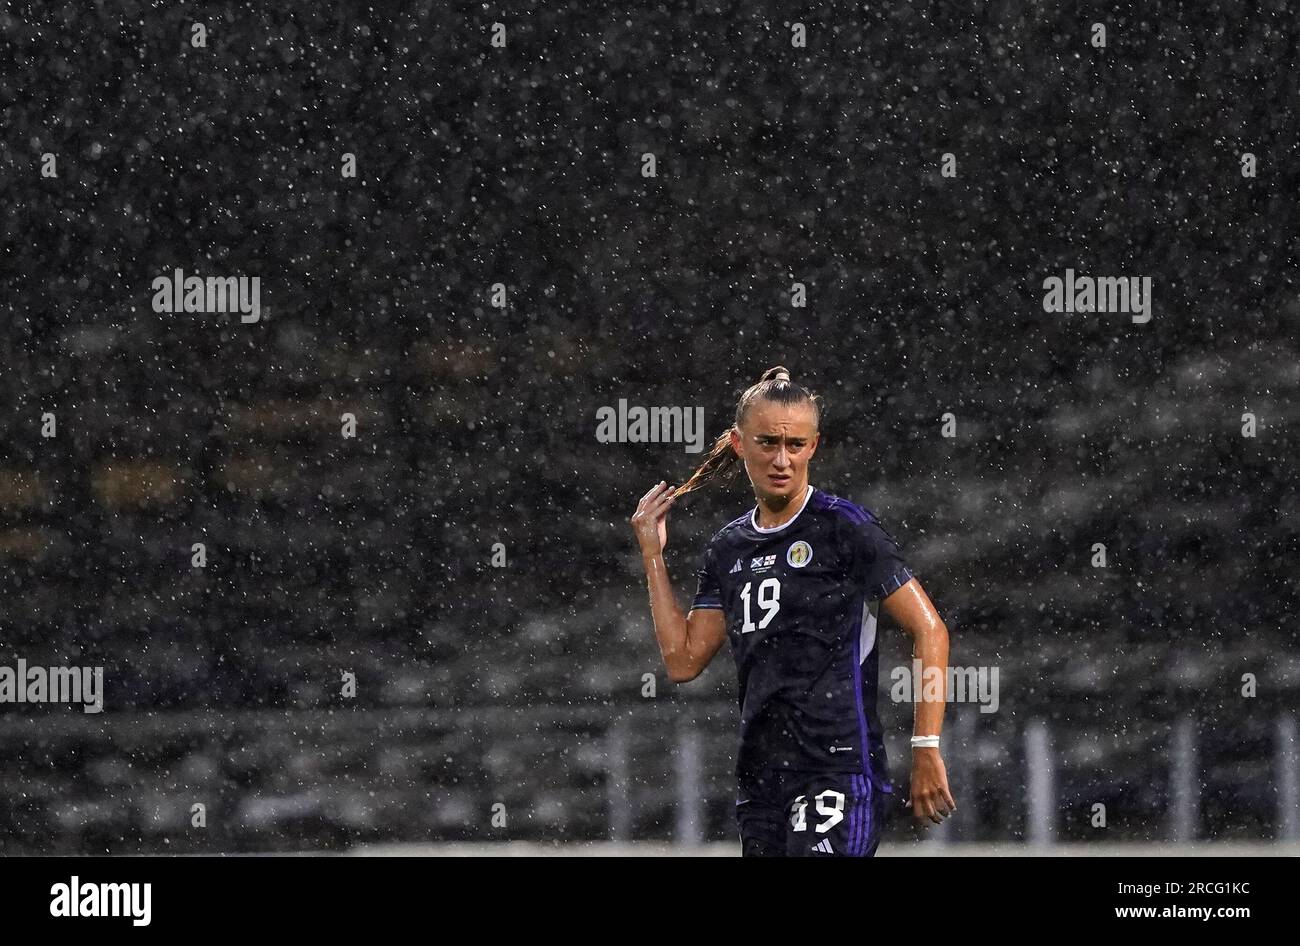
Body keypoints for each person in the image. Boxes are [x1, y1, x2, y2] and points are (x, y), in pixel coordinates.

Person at [630, 365, 956, 856]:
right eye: (767, 443)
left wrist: (926, 746)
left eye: (796, 445)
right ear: (739, 445)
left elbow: (930, 631)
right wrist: (653, 556)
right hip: (762, 774)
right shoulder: (728, 548)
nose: (782, 459)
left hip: (837, 766)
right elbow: (682, 660)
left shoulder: (844, 528)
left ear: (814, 446)